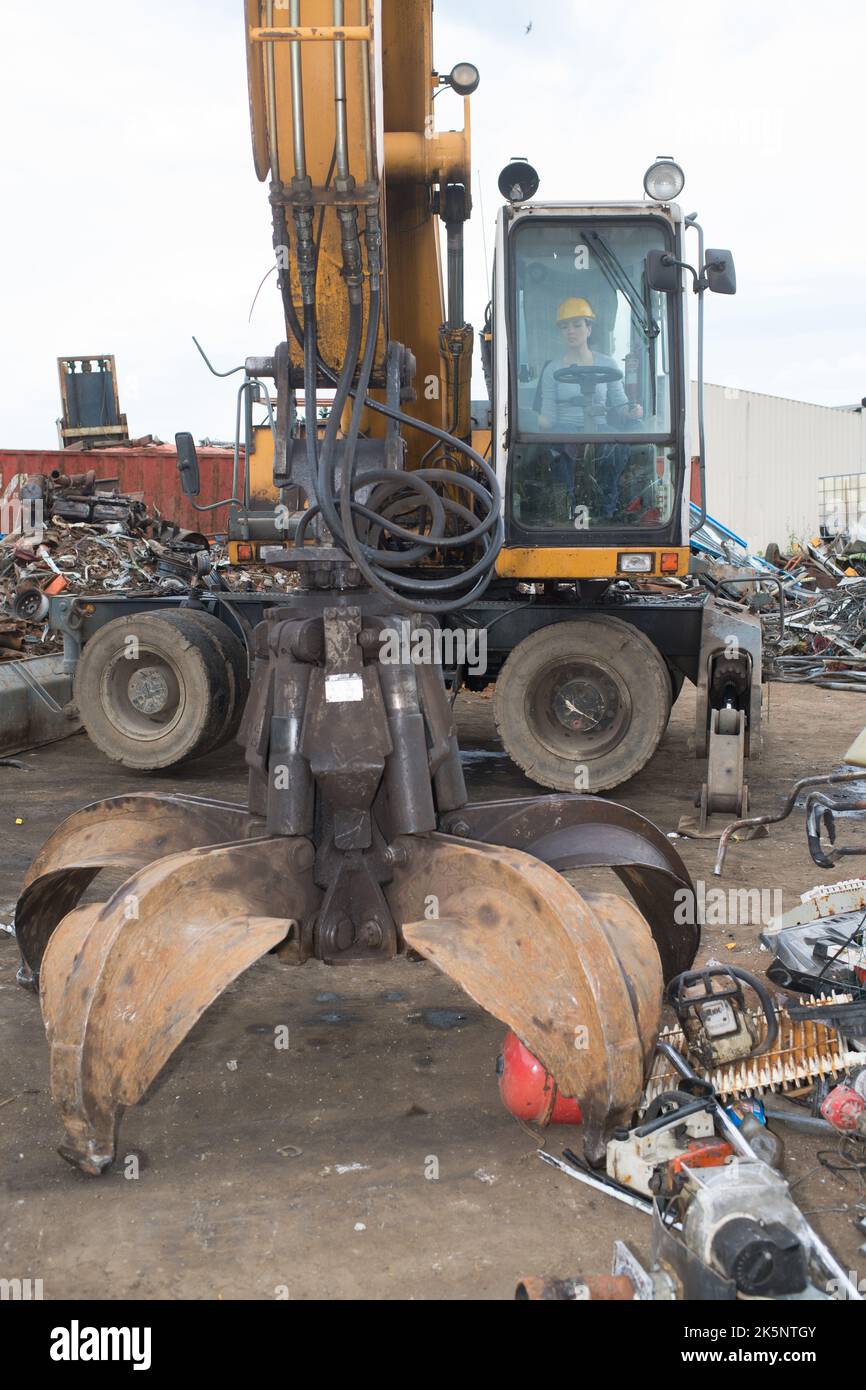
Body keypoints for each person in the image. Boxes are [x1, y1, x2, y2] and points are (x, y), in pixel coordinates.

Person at [536, 297, 643, 518]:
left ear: (589, 328)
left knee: (617, 445)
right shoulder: (552, 369)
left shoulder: (608, 364)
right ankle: (566, 506)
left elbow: (620, 403)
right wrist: (528, 419)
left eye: (577, 325)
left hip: (600, 427)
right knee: (555, 447)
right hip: (566, 428)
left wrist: (632, 411)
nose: (571, 331)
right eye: (565, 327)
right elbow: (549, 416)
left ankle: (607, 509)